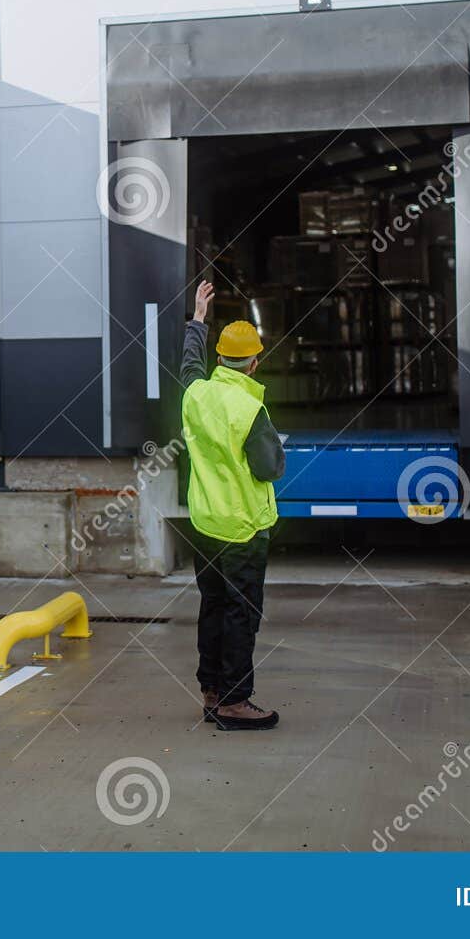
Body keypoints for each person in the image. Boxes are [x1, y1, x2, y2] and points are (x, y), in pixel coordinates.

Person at [180, 280, 285, 731]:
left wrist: (198, 319)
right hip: (242, 530)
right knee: (241, 613)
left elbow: (188, 366)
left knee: (213, 608)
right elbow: (269, 469)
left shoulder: (196, 394)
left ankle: (212, 690)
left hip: (205, 526)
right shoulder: (249, 408)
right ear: (255, 363)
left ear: (220, 359)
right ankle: (235, 701)